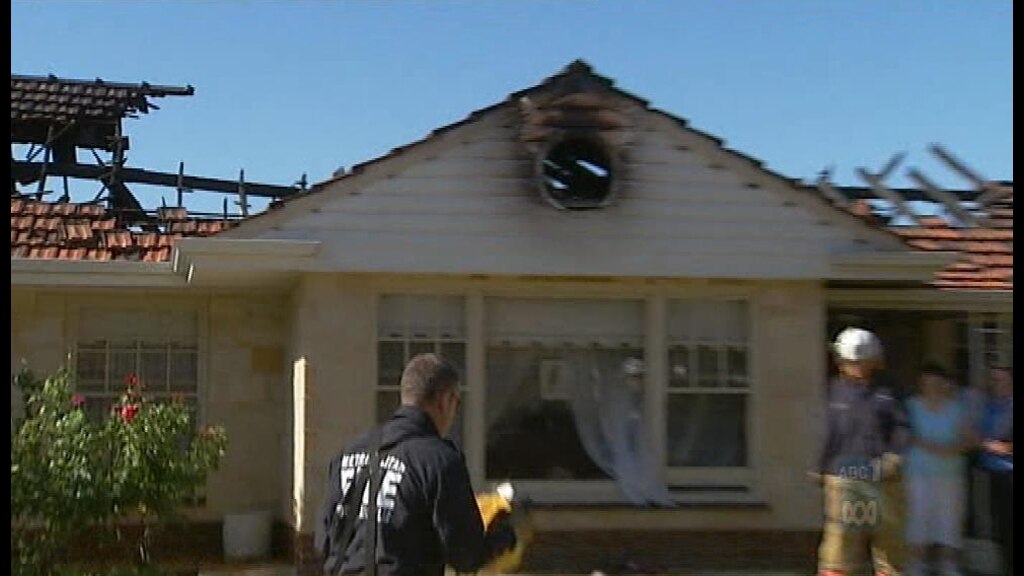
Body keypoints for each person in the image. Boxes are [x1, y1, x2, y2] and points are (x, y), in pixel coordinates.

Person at [317, 353, 516, 576]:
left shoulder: (349, 452)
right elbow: (465, 555)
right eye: (456, 403)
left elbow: (323, 541)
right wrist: (504, 535)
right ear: (445, 400)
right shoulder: (439, 461)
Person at [816, 327, 910, 576]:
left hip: (883, 476)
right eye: (850, 362)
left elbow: (902, 426)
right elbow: (830, 431)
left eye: (861, 362)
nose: (855, 367)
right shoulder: (834, 390)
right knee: (840, 543)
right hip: (843, 475)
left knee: (888, 542)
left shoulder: (889, 391)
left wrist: (895, 456)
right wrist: (821, 467)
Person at [904, 363, 975, 576]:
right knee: (919, 519)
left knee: (949, 521)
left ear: (944, 383)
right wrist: (930, 446)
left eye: (936, 382)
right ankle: (917, 565)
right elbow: (906, 435)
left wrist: (951, 449)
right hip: (918, 475)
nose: (932, 387)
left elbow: (971, 439)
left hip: (950, 475)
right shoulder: (911, 406)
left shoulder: (956, 408)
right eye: (927, 383)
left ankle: (949, 566)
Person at [975, 365, 1013, 576]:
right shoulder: (989, 406)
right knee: (1001, 529)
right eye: (993, 380)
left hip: (1010, 473)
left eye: (999, 380)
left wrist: (1000, 447)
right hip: (994, 474)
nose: (994, 384)